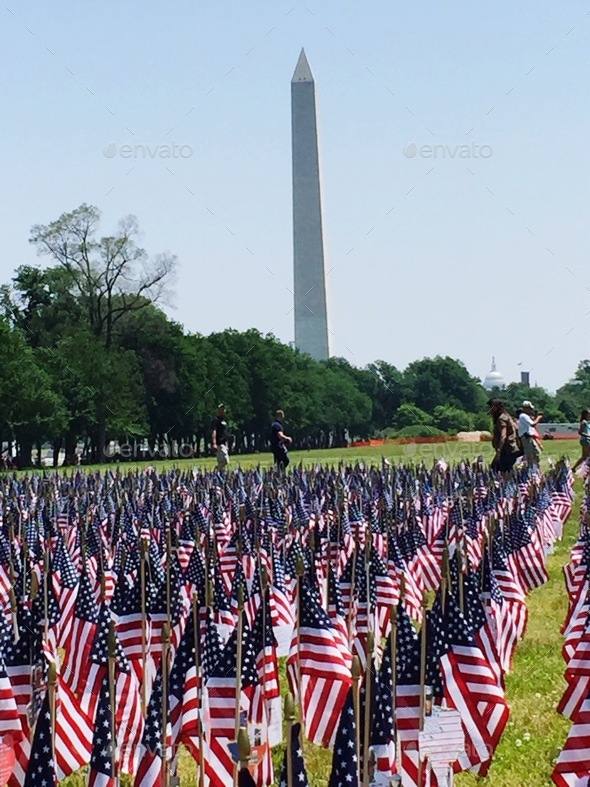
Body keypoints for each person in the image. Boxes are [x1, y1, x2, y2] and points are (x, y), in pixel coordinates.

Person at [488, 398, 521, 473]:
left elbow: (503, 436)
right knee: (505, 470)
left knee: (497, 469)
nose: (490, 409)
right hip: (511, 449)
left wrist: (499, 451)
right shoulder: (507, 416)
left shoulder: (501, 419)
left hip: (506, 450)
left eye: (492, 407)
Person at [518, 400, 543, 466]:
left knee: (536, 453)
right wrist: (538, 418)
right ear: (526, 408)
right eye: (530, 408)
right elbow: (533, 424)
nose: (531, 410)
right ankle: (530, 468)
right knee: (530, 456)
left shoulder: (525, 416)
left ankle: (535, 467)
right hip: (526, 438)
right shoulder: (523, 416)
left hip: (529, 437)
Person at [211, 403, 230, 471]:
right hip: (219, 443)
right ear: (218, 410)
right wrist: (214, 443)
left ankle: (218, 471)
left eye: (223, 409)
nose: (223, 410)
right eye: (221, 409)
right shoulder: (216, 420)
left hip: (224, 444)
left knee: (222, 461)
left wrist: (227, 445)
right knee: (225, 460)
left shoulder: (225, 421)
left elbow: (225, 433)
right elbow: (214, 431)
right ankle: (217, 470)